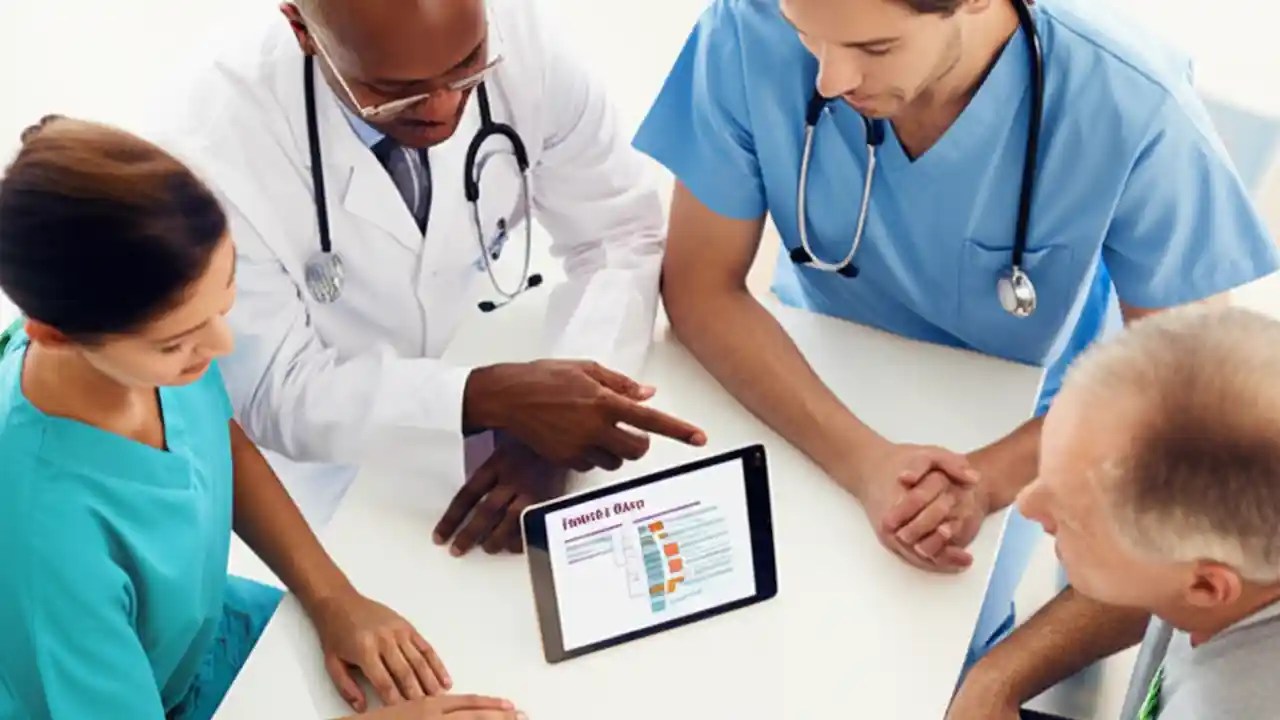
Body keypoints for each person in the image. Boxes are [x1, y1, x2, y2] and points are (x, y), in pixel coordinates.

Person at [631, 0, 1279, 662]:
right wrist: (864, 462)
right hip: (817, 361)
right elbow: (700, 289)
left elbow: (1176, 397)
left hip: (1043, 410)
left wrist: (983, 479)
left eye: (876, 49)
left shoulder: (1134, 104)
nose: (829, 79)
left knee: (935, 650)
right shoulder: (747, 27)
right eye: (806, 37)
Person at [0, 116, 525, 720]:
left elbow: (214, 436)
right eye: (177, 342)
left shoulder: (139, 351)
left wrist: (331, 596)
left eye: (224, 299)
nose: (221, 345)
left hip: (203, 639)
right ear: (56, 336)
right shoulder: (43, 538)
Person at [148, 0, 706, 552]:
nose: (441, 107)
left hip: (474, 344)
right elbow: (277, 387)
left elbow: (617, 235)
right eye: (395, 92)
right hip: (335, 470)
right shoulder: (211, 150)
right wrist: (483, 397)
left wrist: (573, 411)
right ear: (302, 29)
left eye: (468, 68)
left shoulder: (520, 35)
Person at [947, 305, 1280, 720]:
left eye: (1071, 519)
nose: (1028, 506)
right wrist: (993, 678)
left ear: (1207, 588)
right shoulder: (1238, 568)